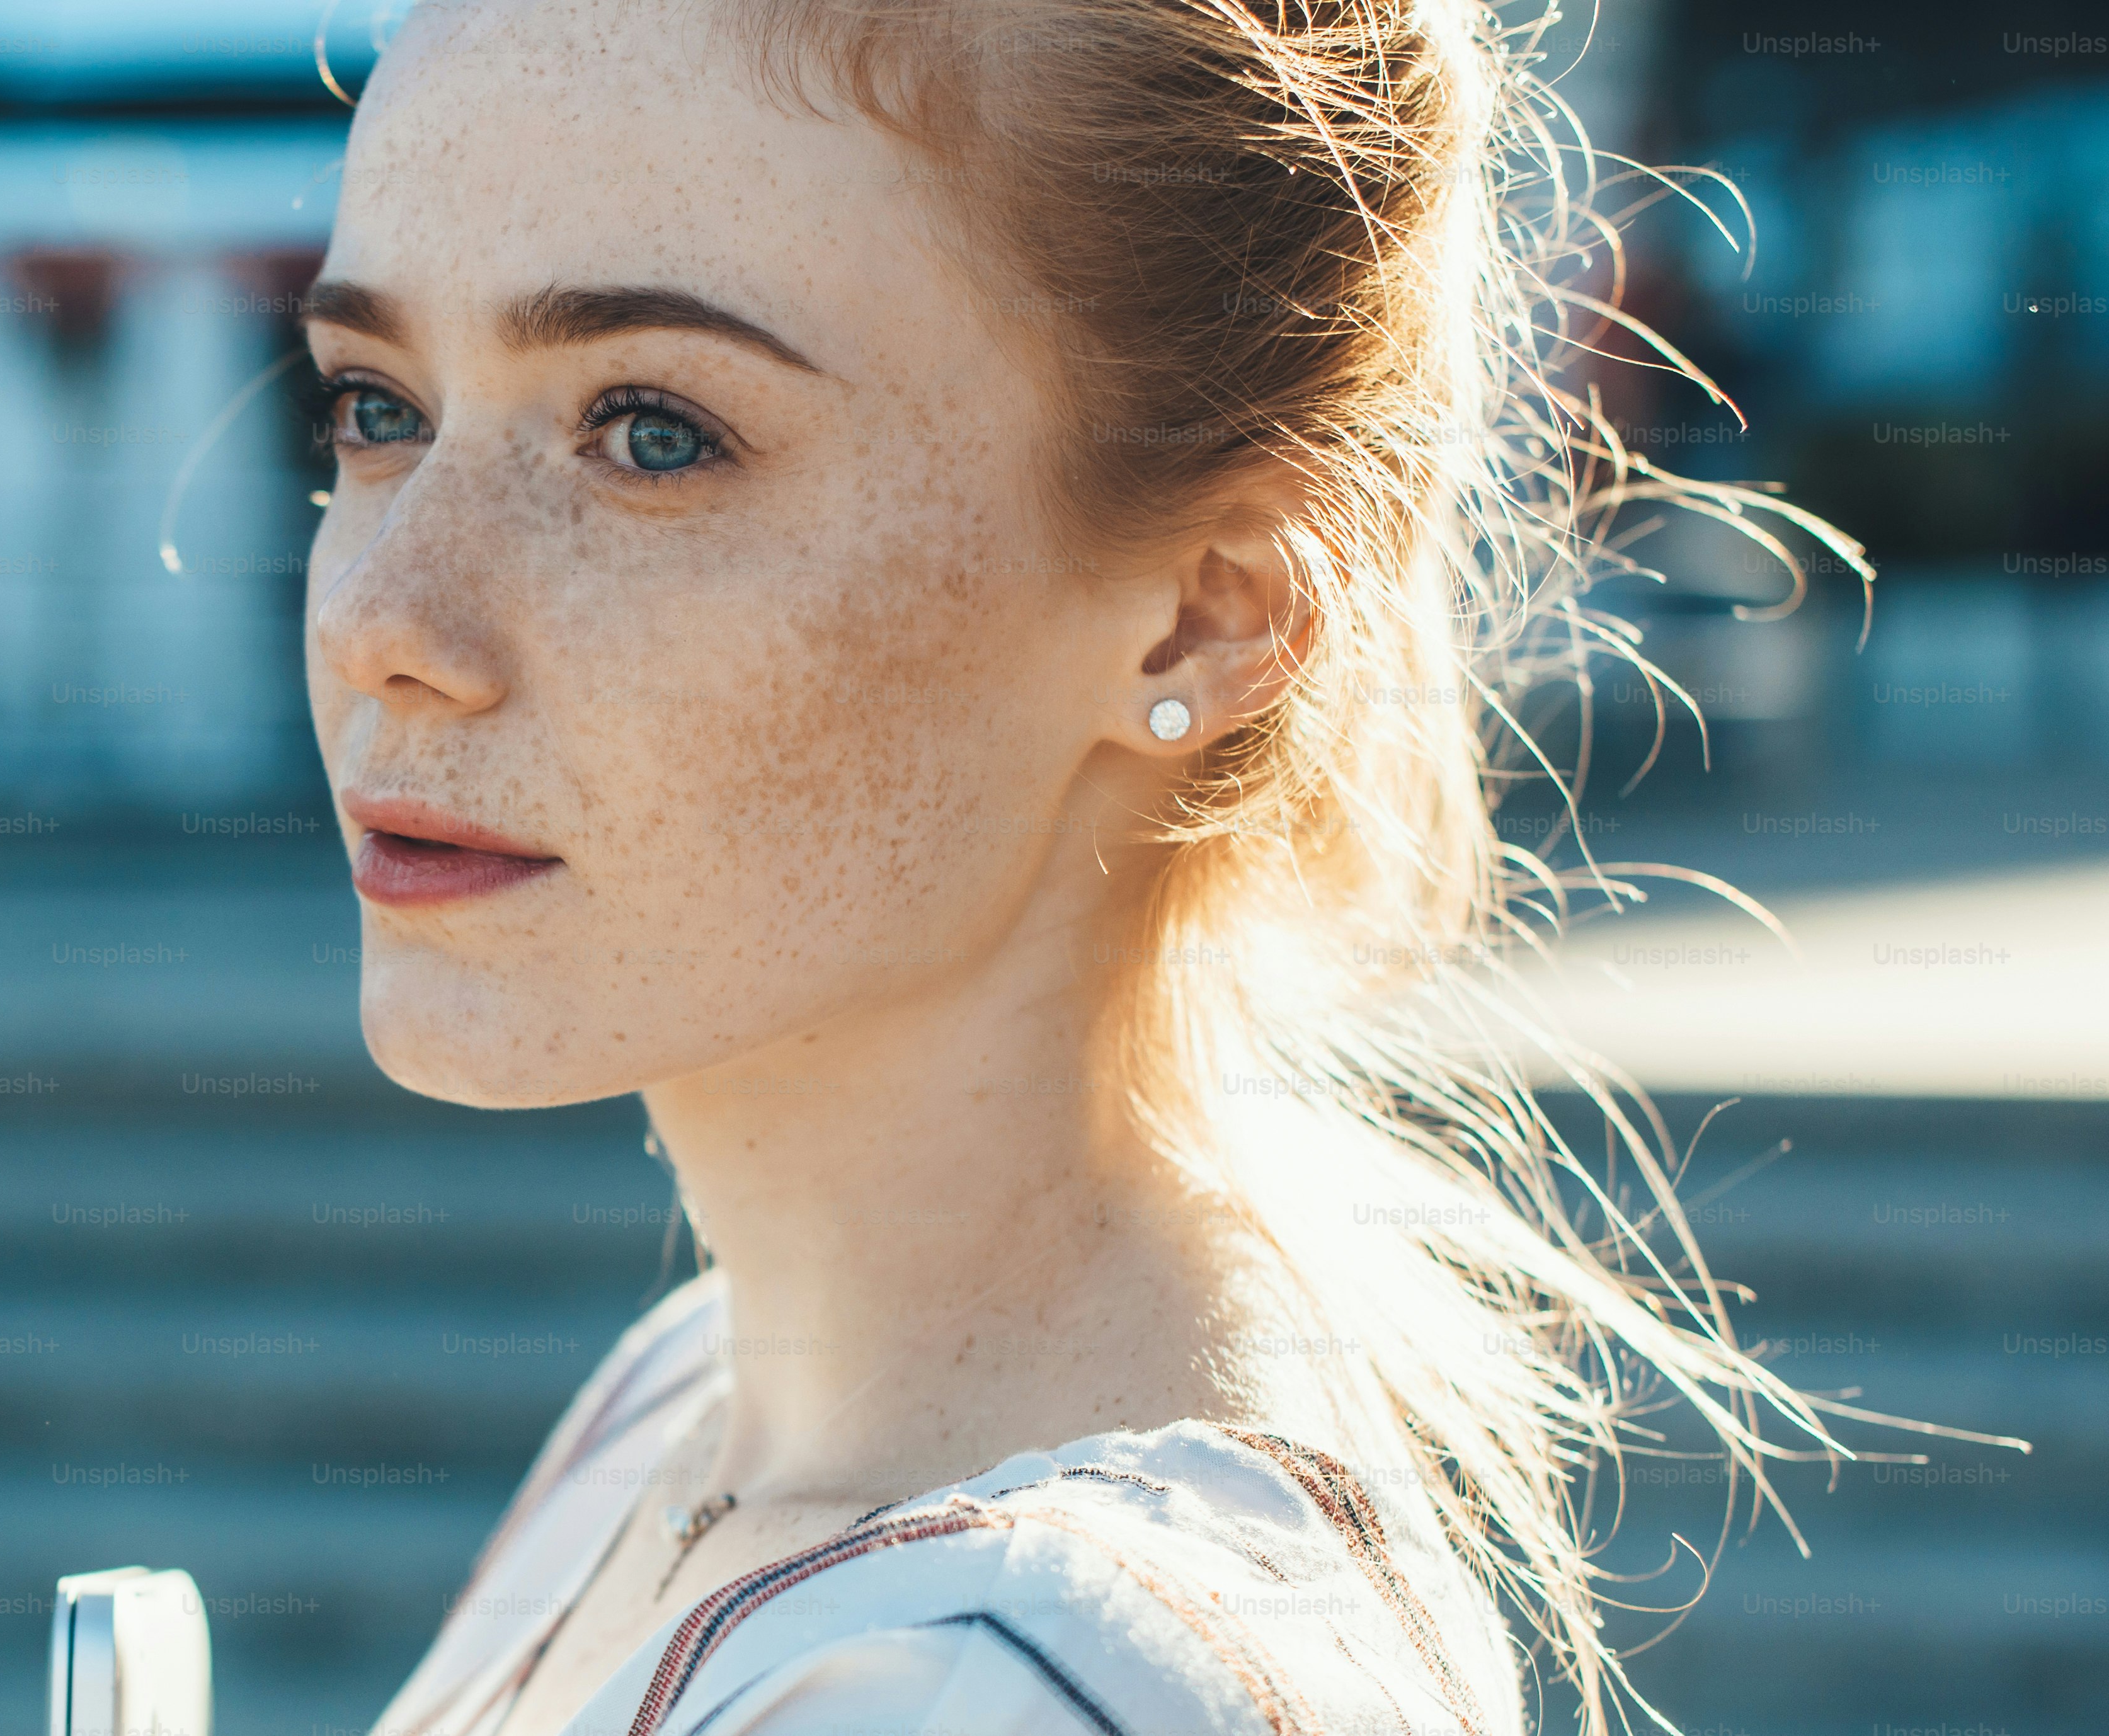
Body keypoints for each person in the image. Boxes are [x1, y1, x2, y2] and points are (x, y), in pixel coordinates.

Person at [297, 4, 1919, 1733]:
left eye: (653, 433)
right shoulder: (693, 1404)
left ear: (1208, 609)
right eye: (377, 406)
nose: (392, 619)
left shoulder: (987, 1677)